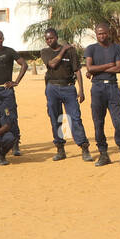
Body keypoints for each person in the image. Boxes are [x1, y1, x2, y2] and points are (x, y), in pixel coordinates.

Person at [83, 22, 120, 167]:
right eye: (99, 34)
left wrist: (95, 70)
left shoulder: (116, 48)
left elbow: (118, 69)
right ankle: (103, 154)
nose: (101, 36)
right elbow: (89, 67)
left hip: (112, 88)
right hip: (97, 88)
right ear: (96, 34)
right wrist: (108, 65)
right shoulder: (91, 49)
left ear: (109, 33)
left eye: (104, 33)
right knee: (98, 123)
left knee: (118, 122)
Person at [40, 28, 91, 162]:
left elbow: (77, 70)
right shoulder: (45, 52)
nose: (49, 40)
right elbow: (52, 64)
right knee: (55, 118)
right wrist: (63, 50)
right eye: (47, 39)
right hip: (52, 88)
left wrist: (81, 90)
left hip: (68, 88)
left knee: (75, 118)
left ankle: (84, 147)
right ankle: (60, 148)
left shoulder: (71, 51)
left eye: (51, 38)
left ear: (56, 37)